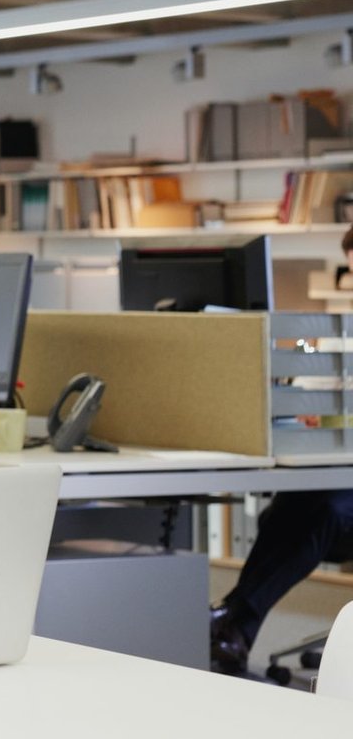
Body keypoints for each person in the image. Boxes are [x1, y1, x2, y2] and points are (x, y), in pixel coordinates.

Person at [210, 225, 353, 675]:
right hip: (342, 473)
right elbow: (316, 393)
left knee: (325, 510)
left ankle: (233, 619)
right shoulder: (343, 337)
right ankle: (234, 625)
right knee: (294, 502)